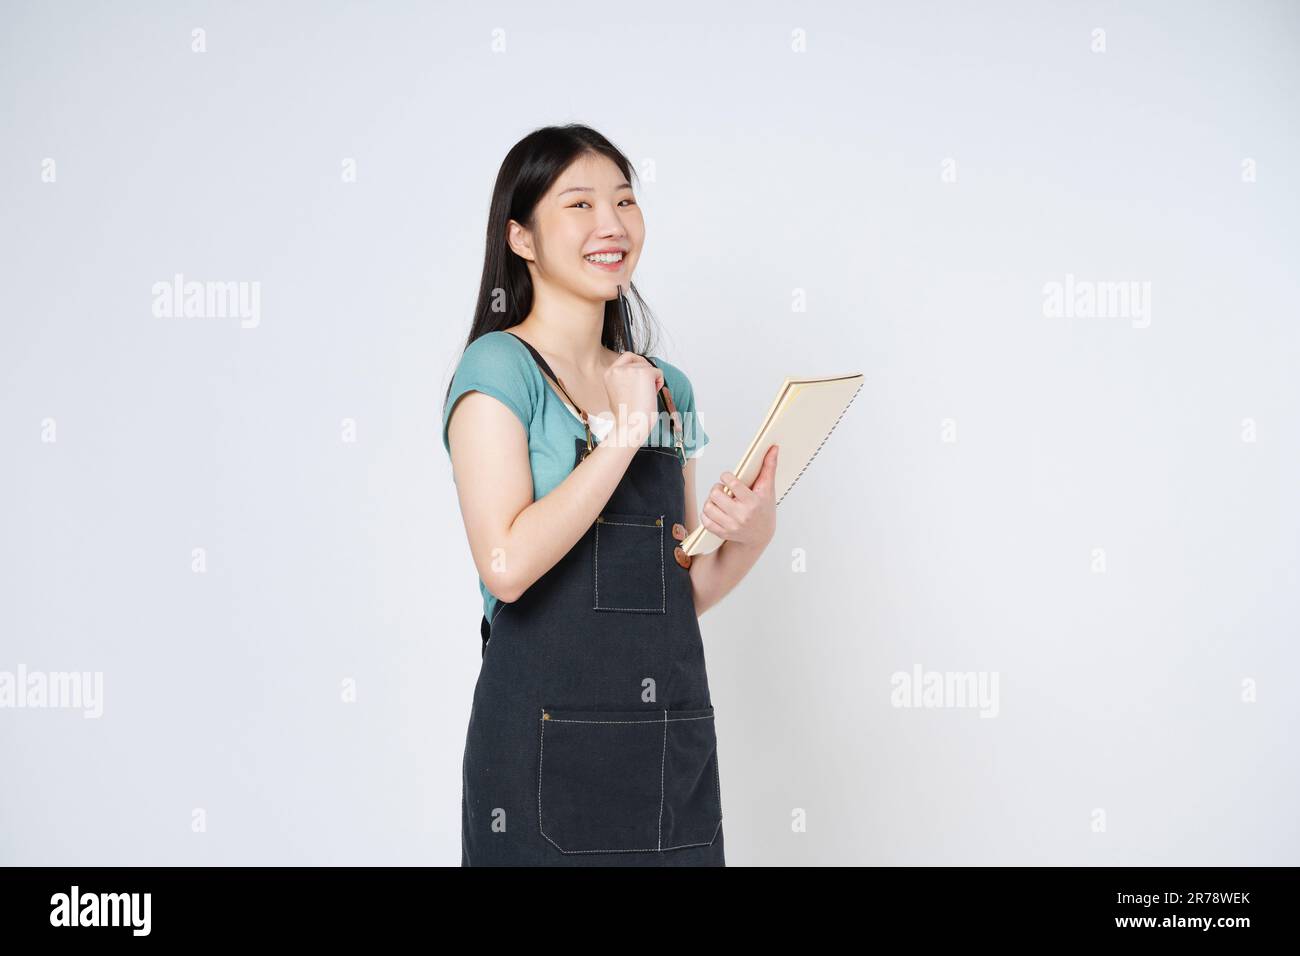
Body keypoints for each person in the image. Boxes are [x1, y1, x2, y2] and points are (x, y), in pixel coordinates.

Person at [441, 124, 779, 866]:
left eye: (625, 201)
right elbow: (506, 564)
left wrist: (750, 534)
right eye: (580, 204)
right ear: (521, 239)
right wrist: (623, 435)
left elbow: (676, 587)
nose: (611, 225)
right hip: (537, 753)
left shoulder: (666, 386)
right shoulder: (499, 369)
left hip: (666, 753)